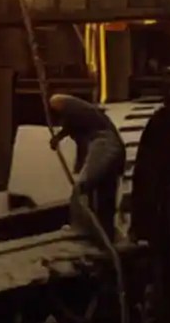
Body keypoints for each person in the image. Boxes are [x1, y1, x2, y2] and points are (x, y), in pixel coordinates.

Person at [48, 93, 126, 242]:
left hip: (104, 144)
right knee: (104, 196)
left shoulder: (72, 110)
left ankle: (81, 226)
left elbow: (71, 126)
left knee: (81, 188)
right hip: (114, 147)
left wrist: (58, 137)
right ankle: (105, 233)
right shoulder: (88, 115)